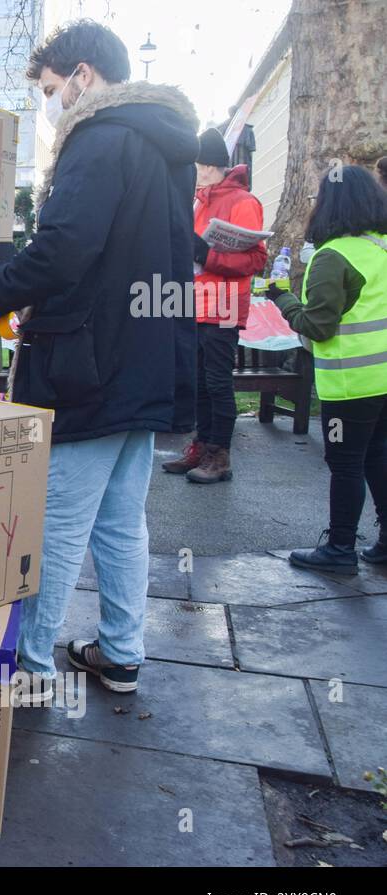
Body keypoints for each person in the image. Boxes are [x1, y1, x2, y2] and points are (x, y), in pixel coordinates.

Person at [0, 19, 198, 699]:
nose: (49, 103)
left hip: (89, 364)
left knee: (56, 520)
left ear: (82, 76)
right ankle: (122, 653)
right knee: (120, 520)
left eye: (50, 88)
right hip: (144, 360)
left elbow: (66, 248)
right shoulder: (165, 147)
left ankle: (34, 670)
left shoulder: (99, 138)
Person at [267, 164, 387, 572]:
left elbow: (317, 326)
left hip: (353, 383)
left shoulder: (332, 257)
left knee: (347, 463)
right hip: (384, 380)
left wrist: (280, 298)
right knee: (378, 457)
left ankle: (339, 549)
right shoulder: (382, 249)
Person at [163, 129, 266, 483]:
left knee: (218, 383)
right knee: (200, 383)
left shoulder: (242, 202)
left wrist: (206, 254)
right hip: (196, 304)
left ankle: (219, 456)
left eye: (196, 166)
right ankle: (202, 447)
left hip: (223, 305)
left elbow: (255, 260)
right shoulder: (199, 200)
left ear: (208, 167)